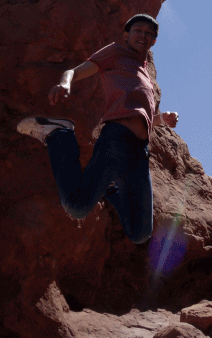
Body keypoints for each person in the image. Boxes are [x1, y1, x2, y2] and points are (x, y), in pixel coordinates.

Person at [17, 14, 178, 244]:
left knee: (140, 234)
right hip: (116, 141)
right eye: (138, 30)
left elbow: (141, 115)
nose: (143, 35)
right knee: (77, 206)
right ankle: (59, 135)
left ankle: (110, 189)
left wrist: (162, 118)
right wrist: (65, 82)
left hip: (140, 155)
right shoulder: (115, 52)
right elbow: (75, 71)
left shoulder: (144, 76)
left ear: (153, 41)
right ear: (126, 35)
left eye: (149, 33)